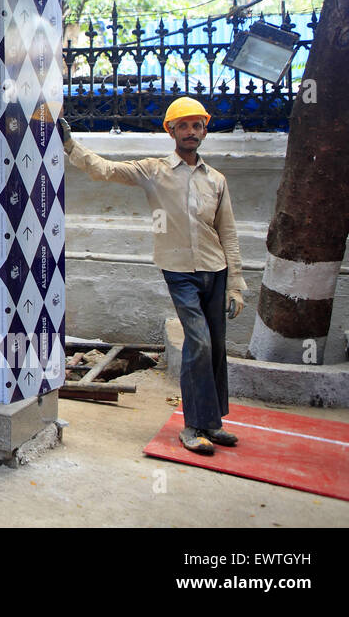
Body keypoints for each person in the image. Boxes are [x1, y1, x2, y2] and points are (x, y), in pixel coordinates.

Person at [58, 97, 246, 456]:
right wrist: (69, 144)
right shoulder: (153, 171)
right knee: (199, 343)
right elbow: (104, 170)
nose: (191, 132)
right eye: (184, 126)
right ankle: (192, 426)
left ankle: (212, 423)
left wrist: (236, 284)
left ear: (204, 130)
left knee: (216, 347)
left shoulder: (216, 180)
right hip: (179, 272)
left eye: (197, 125)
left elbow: (229, 233)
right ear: (171, 131)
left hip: (215, 269)